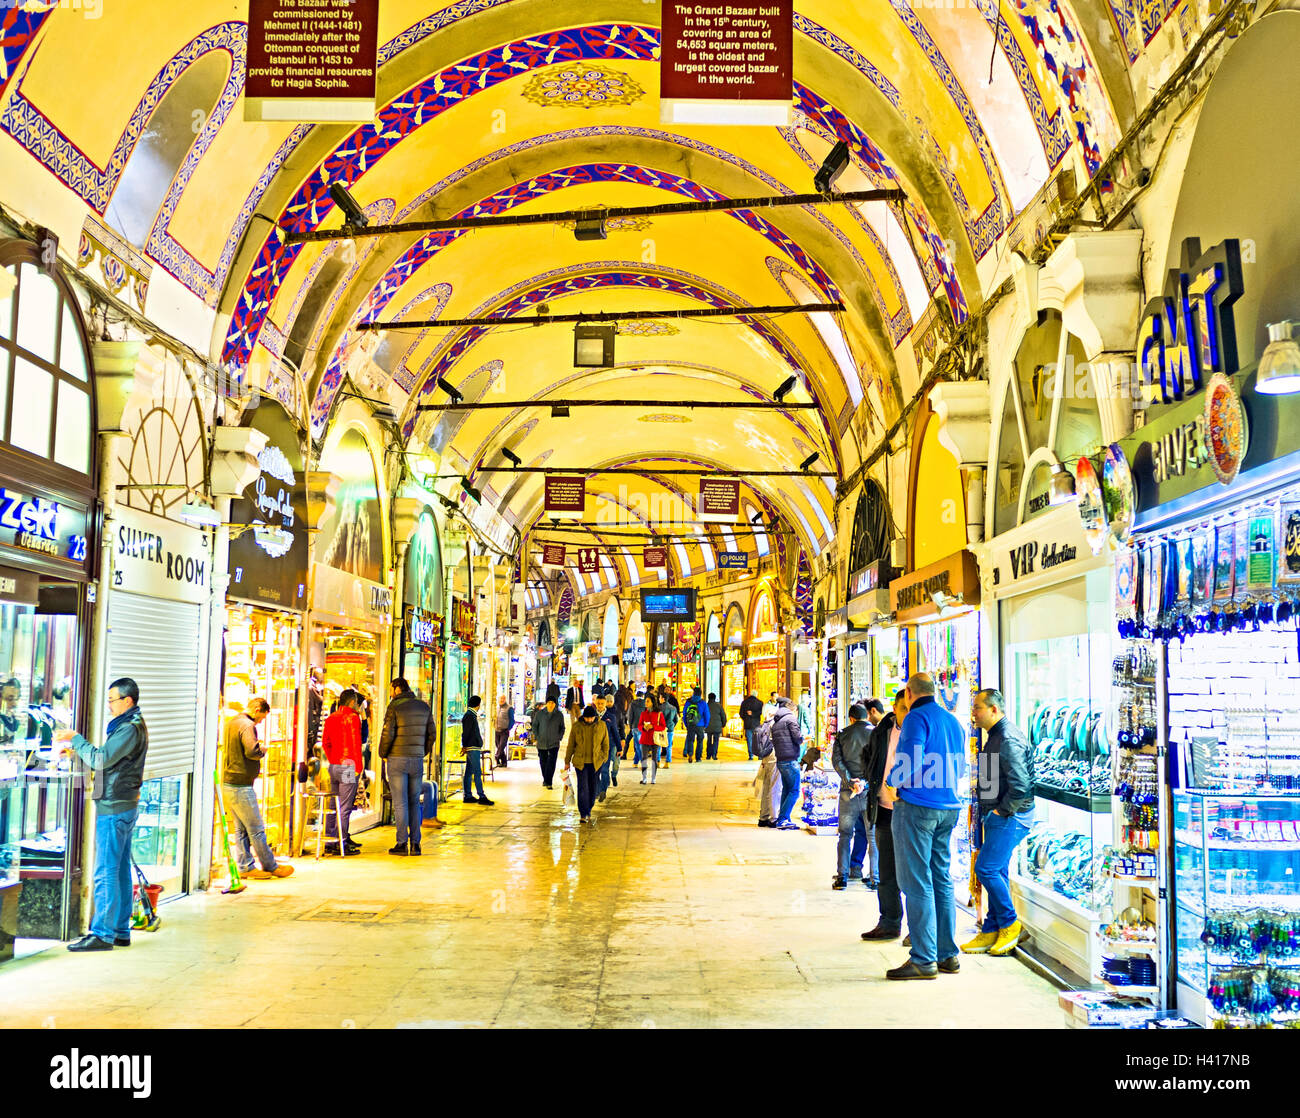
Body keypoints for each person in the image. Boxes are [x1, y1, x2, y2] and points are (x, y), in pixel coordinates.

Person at [57, 678, 152, 950]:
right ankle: (120, 930)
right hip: (122, 804)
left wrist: (75, 738)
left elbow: (101, 759)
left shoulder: (129, 729)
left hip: (115, 806)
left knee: (105, 871)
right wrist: (76, 752)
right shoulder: (128, 725)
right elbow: (106, 759)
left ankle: (102, 934)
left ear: (128, 701)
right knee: (119, 868)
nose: (109, 705)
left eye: (113, 700)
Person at [885, 672, 967, 980]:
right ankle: (947, 954)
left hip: (918, 807)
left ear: (909, 693)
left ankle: (923, 958)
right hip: (948, 807)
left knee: (916, 881)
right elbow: (961, 763)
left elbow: (910, 759)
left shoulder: (916, 719)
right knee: (941, 879)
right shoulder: (953, 721)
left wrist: (893, 782)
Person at [964, 688, 1036, 957]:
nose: (974, 713)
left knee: (987, 869)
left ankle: (1009, 923)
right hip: (1000, 813)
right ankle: (992, 928)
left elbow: (1020, 785)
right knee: (997, 871)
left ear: (994, 709)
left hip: (1010, 816)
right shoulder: (996, 736)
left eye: (978, 708)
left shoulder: (1006, 738)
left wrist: (1000, 812)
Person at [214, 696, 293, 885]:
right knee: (256, 829)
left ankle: (245, 866)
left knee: (241, 829)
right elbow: (251, 751)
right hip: (241, 785)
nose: (261, 721)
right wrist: (263, 749)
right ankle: (271, 865)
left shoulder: (232, 722)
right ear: (257, 710)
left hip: (230, 783)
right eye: (262, 717)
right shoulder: (247, 726)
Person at [861, 688, 909, 942]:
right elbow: (868, 756)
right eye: (903, 708)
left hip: (911, 811)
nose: (907, 714)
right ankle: (889, 921)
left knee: (914, 873)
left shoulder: (921, 730)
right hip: (884, 809)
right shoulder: (883, 730)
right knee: (885, 870)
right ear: (895, 707)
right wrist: (873, 779)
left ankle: (920, 928)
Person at [380, 677, 438, 855]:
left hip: (397, 759)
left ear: (397, 688)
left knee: (400, 803)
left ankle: (401, 843)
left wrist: (383, 754)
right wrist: (422, 752)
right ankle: (416, 844)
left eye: (390, 688)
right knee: (414, 801)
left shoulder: (394, 707)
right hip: (417, 760)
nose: (390, 692)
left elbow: (387, 734)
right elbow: (432, 734)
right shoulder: (424, 707)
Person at [831, 704, 874, 890]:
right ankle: (875, 878)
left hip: (848, 793)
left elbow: (837, 761)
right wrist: (864, 781)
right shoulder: (876, 734)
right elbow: (877, 762)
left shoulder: (842, 734)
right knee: (872, 835)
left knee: (845, 835)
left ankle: (843, 877)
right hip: (869, 792)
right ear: (867, 716)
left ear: (851, 718)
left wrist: (851, 782)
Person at [320, 688, 364, 855]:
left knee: (333, 805)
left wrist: (333, 760)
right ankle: (341, 842)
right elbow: (358, 742)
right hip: (349, 765)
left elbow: (326, 743)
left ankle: (329, 841)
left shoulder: (331, 718)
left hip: (334, 765)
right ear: (352, 702)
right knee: (344, 807)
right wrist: (356, 769)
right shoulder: (354, 718)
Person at [849, 698, 888, 885]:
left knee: (866, 833)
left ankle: (866, 872)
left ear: (872, 712)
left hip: (871, 790)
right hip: (869, 788)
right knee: (866, 832)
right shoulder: (878, 732)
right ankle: (872, 874)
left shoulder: (882, 733)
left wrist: (853, 779)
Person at [564, 705, 608, 824]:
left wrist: (604, 757)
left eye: (591, 718)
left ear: (595, 717)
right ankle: (583, 813)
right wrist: (567, 761)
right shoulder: (577, 726)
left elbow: (605, 743)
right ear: (584, 717)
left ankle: (589, 808)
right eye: (587, 718)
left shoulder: (601, 726)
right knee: (582, 787)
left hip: (596, 763)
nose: (589, 720)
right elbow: (571, 745)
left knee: (593, 788)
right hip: (580, 763)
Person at [771, 696, 804, 830]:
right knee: (795, 791)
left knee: (787, 789)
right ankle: (783, 819)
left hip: (781, 759)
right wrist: (803, 739)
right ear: (792, 709)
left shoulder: (777, 721)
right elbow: (797, 738)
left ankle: (783, 818)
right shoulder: (790, 719)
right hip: (790, 759)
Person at [459, 695, 494, 807]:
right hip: (472, 747)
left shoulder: (470, 715)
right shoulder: (470, 716)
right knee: (477, 772)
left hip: (472, 746)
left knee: (469, 772)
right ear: (478, 704)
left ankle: (468, 795)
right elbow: (466, 733)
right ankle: (481, 796)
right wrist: (464, 746)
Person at [530, 696, 565, 789]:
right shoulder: (540, 714)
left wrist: (559, 737)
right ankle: (546, 779)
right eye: (549, 702)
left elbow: (562, 728)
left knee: (552, 762)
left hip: (554, 743)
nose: (550, 704)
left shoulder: (559, 715)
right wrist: (537, 736)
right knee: (543, 762)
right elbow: (534, 726)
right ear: (546, 703)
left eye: (552, 703)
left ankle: (548, 782)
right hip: (542, 742)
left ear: (555, 704)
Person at [638, 693, 665, 784]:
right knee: (644, 758)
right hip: (645, 738)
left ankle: (653, 777)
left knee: (654, 759)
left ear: (652, 702)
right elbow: (639, 725)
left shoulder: (658, 714)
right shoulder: (643, 713)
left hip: (655, 739)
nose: (646, 703)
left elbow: (663, 726)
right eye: (645, 701)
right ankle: (644, 777)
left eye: (648, 701)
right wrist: (643, 727)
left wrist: (652, 727)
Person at [682, 687, 708, 763]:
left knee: (690, 740)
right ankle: (698, 757)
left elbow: (684, 714)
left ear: (693, 693)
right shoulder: (703, 703)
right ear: (701, 694)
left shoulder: (688, 702)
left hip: (691, 724)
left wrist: (686, 724)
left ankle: (690, 754)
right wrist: (705, 725)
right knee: (700, 741)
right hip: (700, 725)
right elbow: (707, 715)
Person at [739, 691, 763, 759]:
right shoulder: (760, 703)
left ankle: (750, 755)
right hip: (756, 724)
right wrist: (753, 714)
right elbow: (760, 713)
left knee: (749, 740)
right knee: (758, 740)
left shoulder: (744, 702)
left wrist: (746, 718)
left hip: (748, 724)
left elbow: (741, 713)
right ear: (756, 695)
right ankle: (759, 755)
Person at [493, 696, 514, 767]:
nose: (501, 700)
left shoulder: (509, 708)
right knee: (498, 746)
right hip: (497, 730)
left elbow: (512, 720)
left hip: (504, 731)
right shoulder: (497, 707)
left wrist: (508, 728)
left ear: (505, 699)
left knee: (501, 746)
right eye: (500, 698)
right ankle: (503, 762)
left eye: (503, 699)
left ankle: (496, 757)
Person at [628, 687, 647, 763]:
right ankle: (636, 761)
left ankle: (643, 761)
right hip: (644, 726)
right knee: (641, 745)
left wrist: (630, 726)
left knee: (637, 745)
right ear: (643, 696)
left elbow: (630, 716)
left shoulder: (632, 703)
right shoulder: (646, 704)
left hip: (635, 726)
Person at [661, 690, 679, 765]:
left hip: (662, 728)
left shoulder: (659, 708)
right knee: (669, 745)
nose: (659, 699)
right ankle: (668, 760)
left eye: (660, 697)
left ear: (663, 699)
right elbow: (676, 719)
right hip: (670, 728)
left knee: (660, 744)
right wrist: (672, 725)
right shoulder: (673, 708)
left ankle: (658, 760)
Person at [705, 692, 725, 760]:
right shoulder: (719, 705)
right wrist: (723, 724)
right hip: (717, 726)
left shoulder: (706, 705)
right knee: (716, 740)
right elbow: (723, 715)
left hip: (708, 726)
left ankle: (708, 755)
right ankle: (714, 754)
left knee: (709, 740)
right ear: (715, 698)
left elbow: (703, 715)